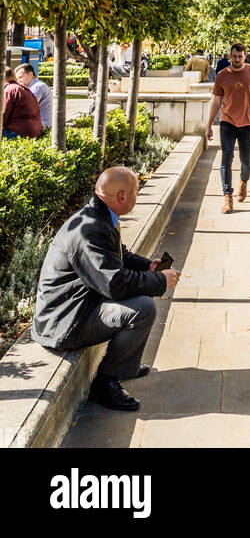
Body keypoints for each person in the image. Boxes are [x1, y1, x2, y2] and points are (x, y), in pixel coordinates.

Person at [31, 166, 180, 411]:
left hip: (77, 306)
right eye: (136, 192)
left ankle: (126, 368)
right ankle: (105, 383)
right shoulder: (91, 229)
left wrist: (148, 266)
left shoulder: (98, 215)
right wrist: (160, 281)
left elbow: (118, 256)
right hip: (63, 322)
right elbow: (114, 284)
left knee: (140, 298)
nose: (137, 196)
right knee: (142, 308)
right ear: (122, 197)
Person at [206, 43, 250, 214]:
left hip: (248, 123)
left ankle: (243, 182)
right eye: (234, 56)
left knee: (246, 162)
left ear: (245, 56)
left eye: (240, 56)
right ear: (230, 56)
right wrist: (209, 124)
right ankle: (227, 196)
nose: (237, 59)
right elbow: (217, 101)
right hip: (227, 122)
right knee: (226, 159)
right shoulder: (222, 75)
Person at [2, 69, 42, 139]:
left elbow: (3, 115)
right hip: (34, 132)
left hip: (17, 133)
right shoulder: (24, 89)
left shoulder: (9, 90)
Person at [15, 62, 52, 131]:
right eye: (17, 79)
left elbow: (25, 107)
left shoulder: (37, 87)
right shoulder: (34, 86)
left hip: (42, 125)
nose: (18, 81)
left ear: (31, 75)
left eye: (20, 77)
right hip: (40, 123)